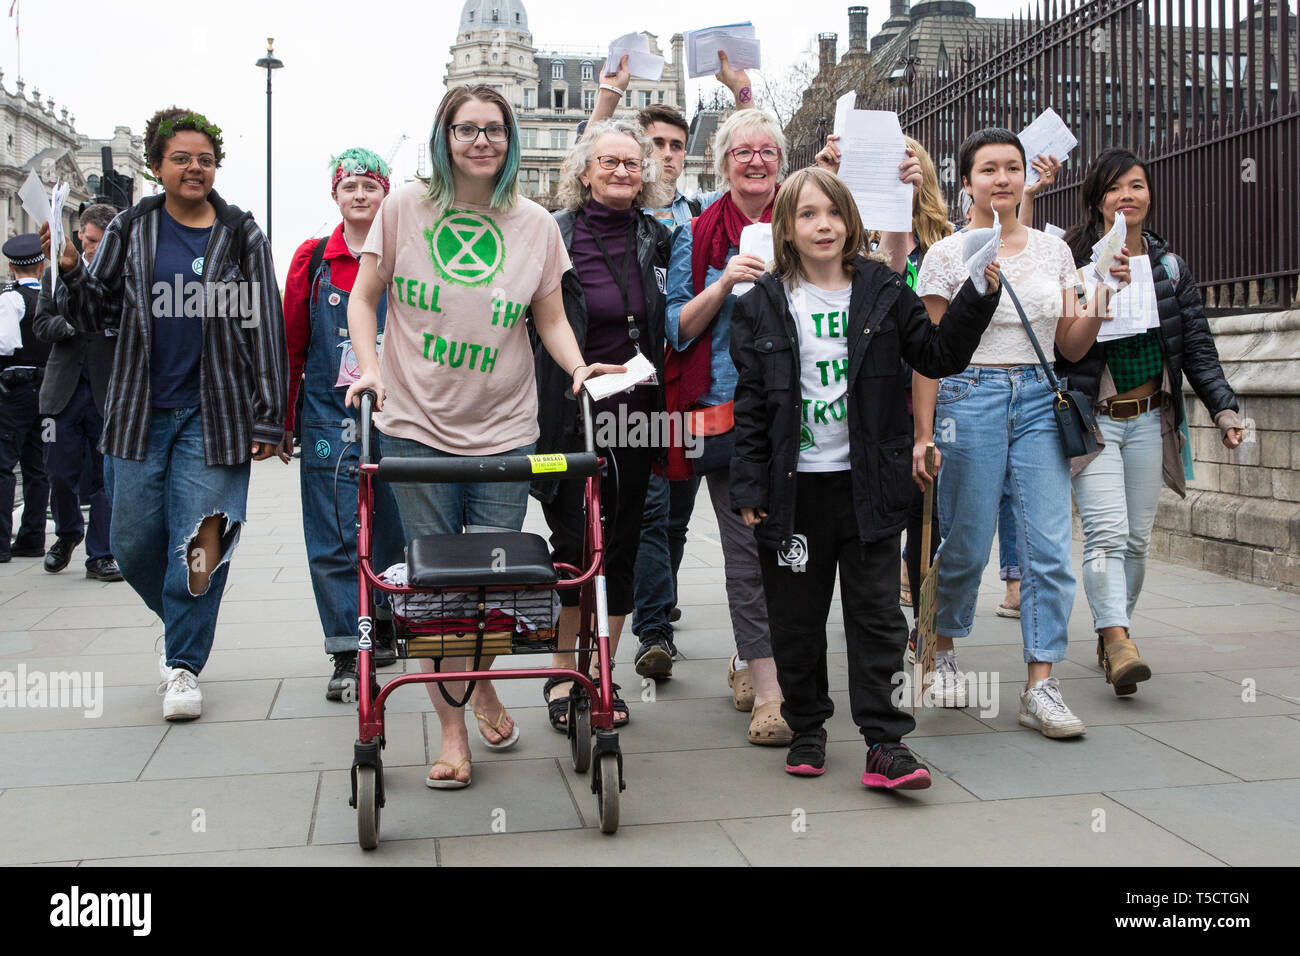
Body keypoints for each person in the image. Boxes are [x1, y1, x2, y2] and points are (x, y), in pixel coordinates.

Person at [344, 84, 620, 789]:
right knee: (439, 594)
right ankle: (451, 730)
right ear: (444, 137)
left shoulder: (534, 225)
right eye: (466, 129)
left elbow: (550, 318)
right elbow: (364, 298)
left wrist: (577, 366)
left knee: (489, 583)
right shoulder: (404, 208)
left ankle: (475, 680)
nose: (480, 141)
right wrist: (370, 369)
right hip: (415, 425)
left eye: (494, 130)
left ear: (511, 139)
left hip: (503, 430)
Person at [731, 166, 1000, 784]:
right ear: (787, 229)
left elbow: (936, 355)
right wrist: (748, 486)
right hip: (793, 493)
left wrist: (977, 293)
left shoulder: (882, 288)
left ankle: (886, 741)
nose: (822, 225)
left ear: (851, 220)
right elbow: (750, 405)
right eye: (806, 215)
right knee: (795, 619)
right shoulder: (763, 304)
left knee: (877, 616)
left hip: (869, 487)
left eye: (832, 212)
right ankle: (807, 727)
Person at [667, 109, 917, 745]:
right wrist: (726, 282)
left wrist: (892, 189)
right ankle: (772, 694)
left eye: (767, 151)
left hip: (819, 430)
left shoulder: (815, 218)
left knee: (802, 571)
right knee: (747, 556)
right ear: (722, 163)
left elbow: (881, 277)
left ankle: (779, 671)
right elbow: (677, 328)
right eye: (742, 151)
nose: (755, 160)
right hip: (733, 415)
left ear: (782, 162)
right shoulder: (694, 232)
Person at [45, 107, 288, 722]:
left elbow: (264, 325)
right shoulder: (130, 227)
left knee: (203, 543)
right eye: (180, 158)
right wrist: (71, 270)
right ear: (156, 167)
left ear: (216, 167)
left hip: (218, 415)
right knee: (129, 544)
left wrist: (270, 419)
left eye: (204, 159)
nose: (193, 168)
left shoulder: (241, 232)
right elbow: (96, 310)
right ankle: (183, 619)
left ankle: (182, 663)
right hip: (137, 413)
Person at [912, 127, 1125, 737]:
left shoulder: (1053, 252)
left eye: (1012, 167)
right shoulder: (948, 255)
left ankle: (1041, 683)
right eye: (988, 169)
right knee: (967, 542)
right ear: (967, 183)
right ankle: (941, 649)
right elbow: (931, 353)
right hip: (967, 397)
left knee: (1049, 547)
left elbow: (1070, 344)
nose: (1001, 178)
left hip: (1038, 396)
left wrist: (1101, 292)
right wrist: (924, 433)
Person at [590, 51, 753, 678]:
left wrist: (742, 94)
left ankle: (661, 604)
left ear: (688, 154)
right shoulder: (617, 212)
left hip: (690, 390)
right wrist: (607, 97)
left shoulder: (698, 217)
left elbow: (757, 180)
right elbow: (584, 168)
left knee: (676, 516)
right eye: (652, 143)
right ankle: (654, 633)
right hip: (634, 395)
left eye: (675, 145)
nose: (663, 154)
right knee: (651, 511)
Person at [1060, 147, 1243, 695]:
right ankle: (1117, 641)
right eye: (1115, 188)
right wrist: (1096, 287)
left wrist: (1225, 408)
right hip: (1094, 423)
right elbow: (1064, 351)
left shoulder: (1170, 268)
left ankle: (1116, 630)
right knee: (1106, 533)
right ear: (1097, 200)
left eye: (1136, 186)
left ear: (1149, 195)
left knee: (1137, 539)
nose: (1127, 197)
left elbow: (1199, 350)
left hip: (1148, 419)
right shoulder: (1073, 261)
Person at [534, 119, 672, 729]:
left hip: (637, 409)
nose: (621, 172)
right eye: (608, 162)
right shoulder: (554, 234)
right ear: (584, 172)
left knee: (622, 538)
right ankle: (564, 671)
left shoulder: (658, 238)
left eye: (632, 163)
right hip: (569, 408)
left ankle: (601, 671)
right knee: (571, 540)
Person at [282, 148, 405, 702]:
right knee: (334, 533)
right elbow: (291, 344)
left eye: (370, 186)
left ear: (386, 194)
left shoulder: (406, 254)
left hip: (399, 412)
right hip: (328, 416)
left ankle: (383, 624)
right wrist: (283, 421)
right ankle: (343, 649)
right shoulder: (312, 260)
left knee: (395, 528)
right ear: (335, 194)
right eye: (349, 186)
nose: (360, 195)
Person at [32, 203, 122, 581]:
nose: (88, 248)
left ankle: (100, 555)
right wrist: (72, 326)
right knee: (58, 472)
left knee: (104, 479)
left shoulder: (121, 277)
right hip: (62, 392)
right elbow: (41, 324)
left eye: (97, 243)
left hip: (105, 392)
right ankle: (68, 534)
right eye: (85, 240)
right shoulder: (55, 273)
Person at [0, 233, 52, 563]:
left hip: (14, 390)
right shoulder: (52, 298)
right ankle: (33, 536)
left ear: (11, 266)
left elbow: (5, 343)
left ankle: (2, 541)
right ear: (42, 263)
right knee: (38, 466)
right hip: (47, 389)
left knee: (4, 465)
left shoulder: (10, 300)